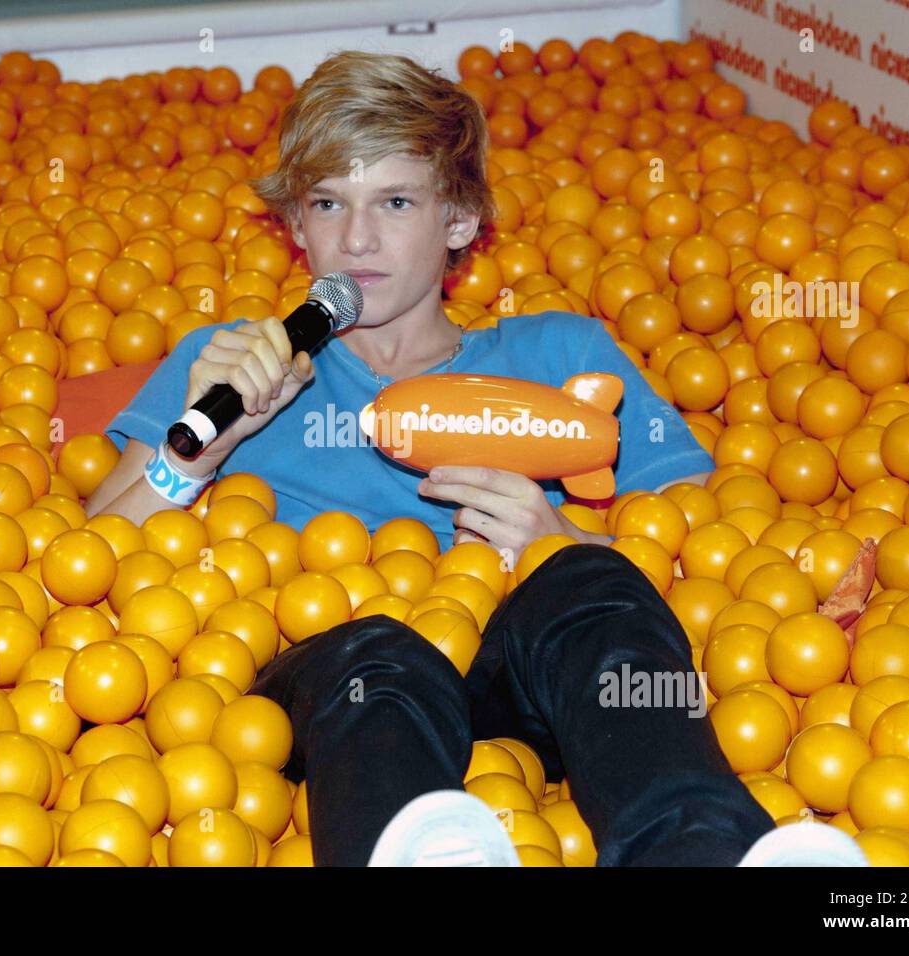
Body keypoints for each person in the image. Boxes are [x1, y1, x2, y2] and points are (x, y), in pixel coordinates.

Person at [89, 51, 865, 867]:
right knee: (380, 649)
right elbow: (88, 556)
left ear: (459, 219)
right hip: (331, 689)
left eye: (394, 201)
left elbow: (728, 554)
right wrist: (205, 449)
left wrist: (563, 539)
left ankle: (700, 850)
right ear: (294, 226)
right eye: (327, 203)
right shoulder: (231, 363)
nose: (356, 238)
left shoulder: (561, 353)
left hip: (519, 682)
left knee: (589, 584)